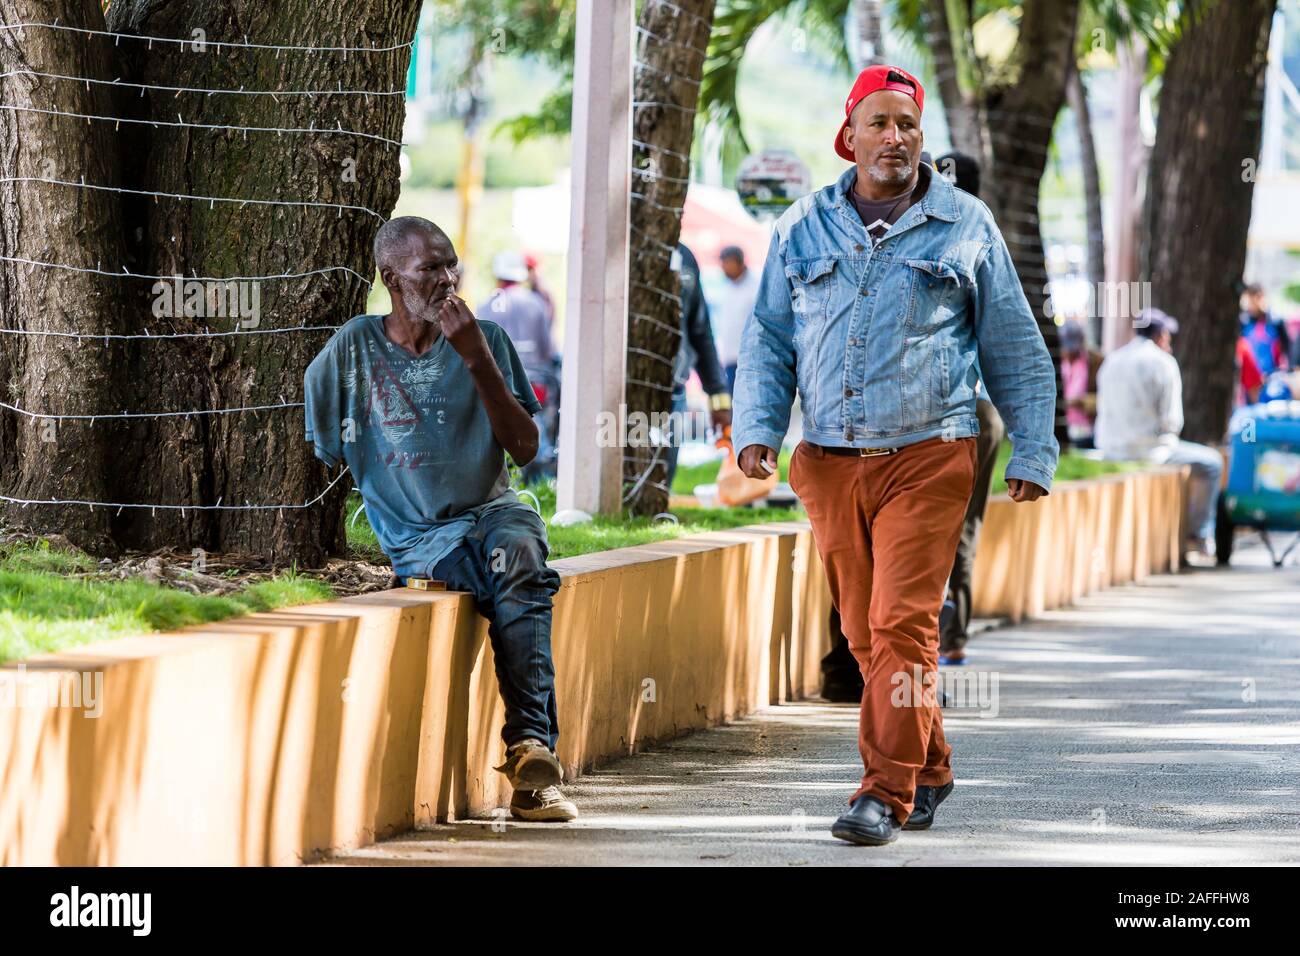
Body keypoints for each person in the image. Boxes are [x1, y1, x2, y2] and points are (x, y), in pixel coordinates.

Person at [732, 65, 1058, 846]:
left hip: (931, 451)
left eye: (907, 125)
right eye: (878, 123)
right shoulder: (802, 226)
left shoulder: (966, 223)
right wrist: (756, 429)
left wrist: (1034, 449)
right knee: (863, 634)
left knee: (904, 623)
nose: (895, 138)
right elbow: (770, 337)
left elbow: (1013, 344)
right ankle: (932, 764)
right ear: (850, 136)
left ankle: (882, 792)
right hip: (831, 457)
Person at [304, 217, 576, 823]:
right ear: (390, 278)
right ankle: (533, 759)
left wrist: (476, 359)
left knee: (520, 557)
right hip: (422, 539)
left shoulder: (488, 339)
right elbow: (322, 451)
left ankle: (532, 753)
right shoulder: (354, 348)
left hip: (495, 512)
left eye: (451, 264)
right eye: (430, 268)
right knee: (505, 578)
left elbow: (527, 448)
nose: (447, 280)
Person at [1094, 308, 1223, 560]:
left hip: (1109, 449)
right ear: (1162, 335)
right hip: (1150, 451)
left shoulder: (1112, 360)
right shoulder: (1164, 363)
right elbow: (1173, 422)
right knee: (1212, 464)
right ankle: (1198, 535)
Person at [481, 250, 558, 482]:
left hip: (498, 383)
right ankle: (539, 483)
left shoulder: (486, 306)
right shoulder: (535, 304)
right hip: (535, 382)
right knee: (538, 434)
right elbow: (548, 349)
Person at [665, 242, 732, 489]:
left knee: (661, 479)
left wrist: (718, 396)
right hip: (620, 392)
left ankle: (656, 517)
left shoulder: (683, 256)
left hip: (673, 389)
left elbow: (700, 330)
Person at [716, 245, 761, 393]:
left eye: (726, 263)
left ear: (737, 262)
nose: (723, 268)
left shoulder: (756, 287)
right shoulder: (727, 289)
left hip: (750, 359)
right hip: (730, 358)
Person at [1058, 318, 1101, 449]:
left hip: (1090, 431)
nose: (1070, 352)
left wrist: (1083, 402)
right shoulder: (1057, 361)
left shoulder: (1097, 362)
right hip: (1064, 428)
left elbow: (1108, 400)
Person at [1239, 283, 1291, 376]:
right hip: (1250, 378)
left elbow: (1287, 347)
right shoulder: (1244, 322)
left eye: (1256, 298)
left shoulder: (1275, 321)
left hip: (1273, 374)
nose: (1251, 304)